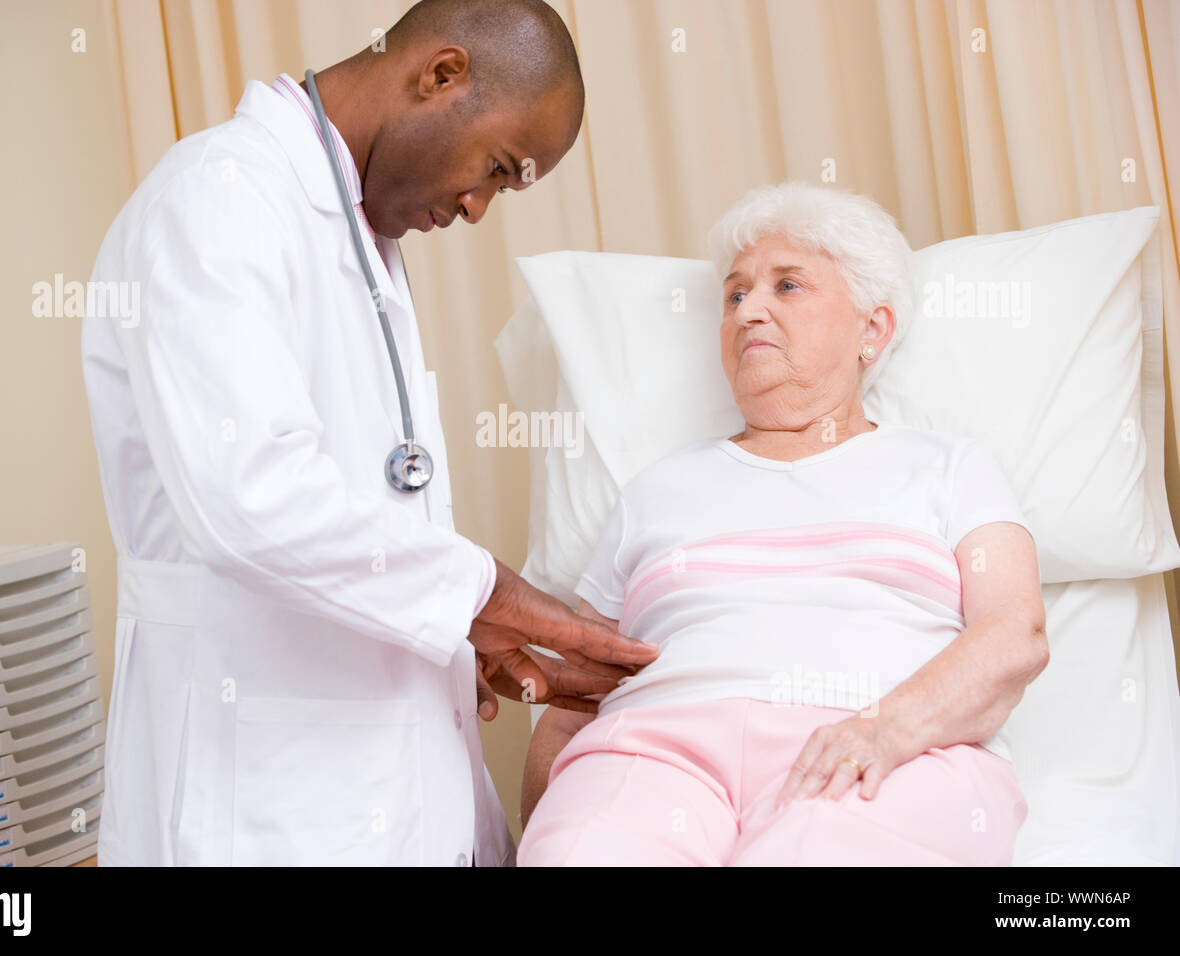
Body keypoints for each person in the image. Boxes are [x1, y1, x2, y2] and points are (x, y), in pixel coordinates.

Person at [80, 0, 657, 867]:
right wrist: (481, 593)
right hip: (266, 799)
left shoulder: (357, 235)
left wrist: (459, 631)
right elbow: (251, 496)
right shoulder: (217, 197)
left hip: (386, 785)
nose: (477, 208)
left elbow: (366, 511)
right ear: (441, 74)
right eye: (497, 169)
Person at [517, 181, 1048, 866]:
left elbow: (1014, 635)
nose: (748, 311)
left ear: (872, 328)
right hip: (654, 751)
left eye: (787, 286)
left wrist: (883, 731)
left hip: (886, 750)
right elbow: (574, 703)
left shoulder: (949, 468)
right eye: (734, 296)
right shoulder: (654, 491)